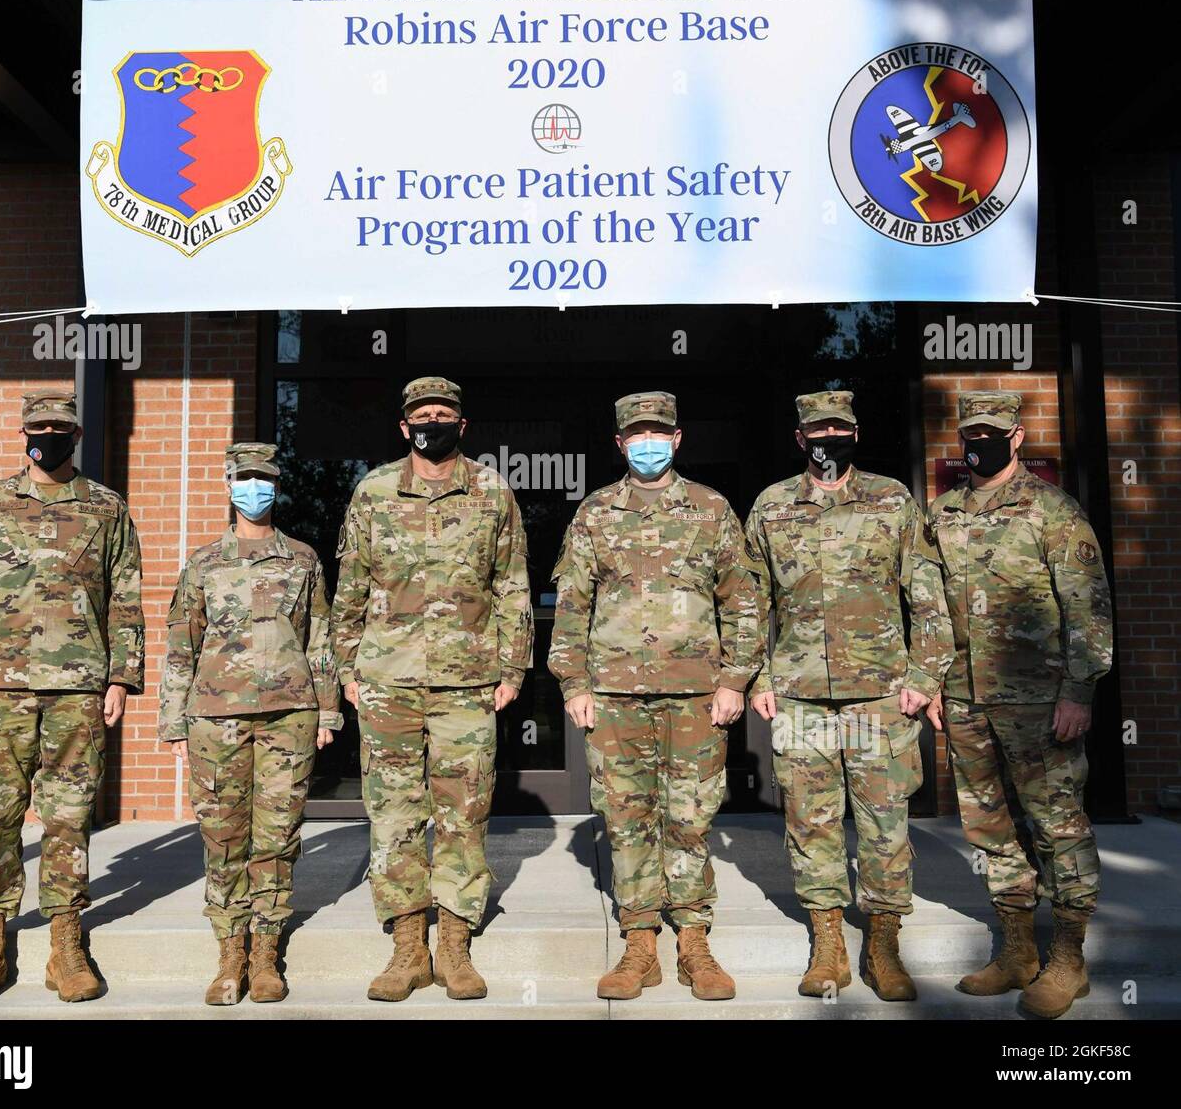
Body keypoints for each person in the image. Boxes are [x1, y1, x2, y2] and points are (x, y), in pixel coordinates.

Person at [549, 391, 762, 1001]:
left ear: (677, 439)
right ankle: (640, 943)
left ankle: (694, 941)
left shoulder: (711, 509)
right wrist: (574, 682)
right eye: (636, 434)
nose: (648, 442)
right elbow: (572, 608)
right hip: (614, 696)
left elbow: (742, 601)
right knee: (627, 818)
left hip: (697, 695)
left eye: (658, 432)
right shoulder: (595, 513)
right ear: (619, 444)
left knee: (691, 818)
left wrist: (734, 680)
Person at [0, 390, 144, 1005]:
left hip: (77, 688)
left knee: (68, 816)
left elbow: (125, 601)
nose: (47, 434)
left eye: (59, 427)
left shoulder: (106, 508)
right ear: (23, 431)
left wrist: (120, 676)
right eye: (38, 425)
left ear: (76, 436)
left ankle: (65, 943)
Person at [745, 390, 952, 1001]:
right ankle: (828, 944)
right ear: (800, 438)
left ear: (855, 434)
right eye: (816, 430)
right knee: (811, 823)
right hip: (801, 696)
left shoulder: (892, 500)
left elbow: (928, 596)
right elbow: (752, 602)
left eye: (837, 428)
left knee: (885, 824)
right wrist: (757, 677)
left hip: (881, 696)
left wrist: (924, 677)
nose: (826, 439)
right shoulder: (772, 506)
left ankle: (884, 944)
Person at [331, 377, 533, 1001]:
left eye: (444, 414)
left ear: (462, 425)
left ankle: (454, 944)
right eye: (423, 414)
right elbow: (352, 588)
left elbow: (512, 585)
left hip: (467, 681)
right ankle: (406, 946)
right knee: (392, 815)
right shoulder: (373, 492)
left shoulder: (492, 492)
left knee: (463, 812)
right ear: (403, 426)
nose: (433, 422)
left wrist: (514, 667)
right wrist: (346, 670)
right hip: (387, 680)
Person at [926, 391, 1113, 1019]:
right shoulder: (943, 513)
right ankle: (1015, 951)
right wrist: (931, 683)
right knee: (990, 829)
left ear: (1016, 437)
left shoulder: (1051, 511)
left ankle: (1068, 958)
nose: (980, 442)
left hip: (1041, 702)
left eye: (993, 431)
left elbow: (1088, 606)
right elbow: (927, 610)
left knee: (1058, 827)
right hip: (966, 699)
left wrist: (1079, 691)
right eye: (970, 432)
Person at [159, 442, 340, 1005]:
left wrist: (328, 709)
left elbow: (320, 639)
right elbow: (180, 645)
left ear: (277, 486)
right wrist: (173, 722)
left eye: (264, 478)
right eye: (245, 478)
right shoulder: (204, 563)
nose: (254, 488)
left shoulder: (303, 559)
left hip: (290, 714)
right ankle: (228, 954)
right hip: (216, 718)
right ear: (230, 485)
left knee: (277, 836)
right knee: (223, 835)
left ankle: (266, 953)